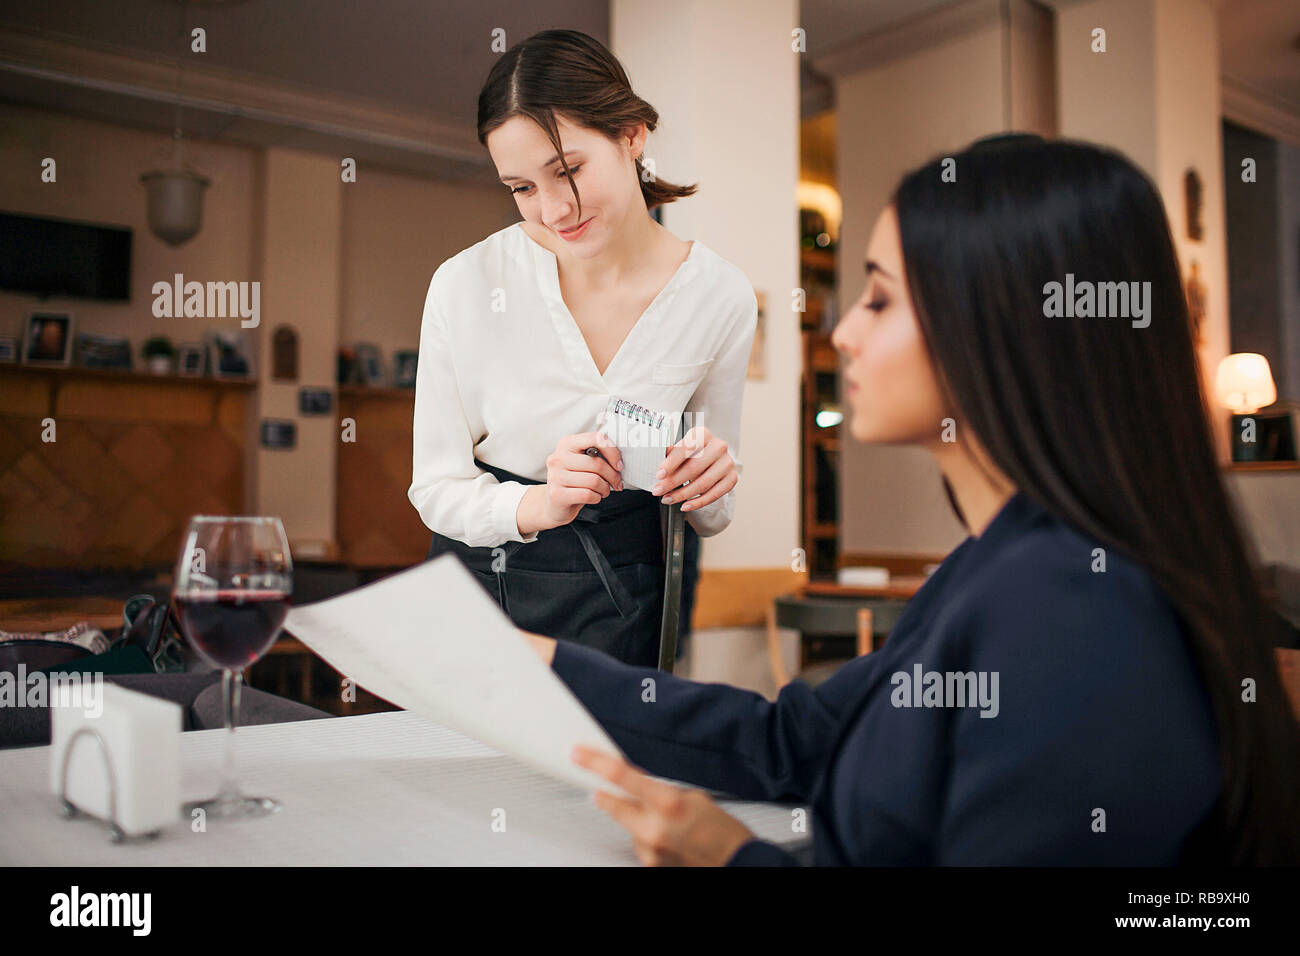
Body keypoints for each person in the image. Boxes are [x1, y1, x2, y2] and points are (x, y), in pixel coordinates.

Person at [521, 134, 1300, 865]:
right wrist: (545, 668)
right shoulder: (991, 567)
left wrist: (734, 857)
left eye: (882, 300)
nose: (846, 333)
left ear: (1001, 328)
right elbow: (788, 740)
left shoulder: (1075, 611)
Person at [409, 30, 757, 666]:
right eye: (521, 188)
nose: (553, 209)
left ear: (632, 136)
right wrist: (540, 502)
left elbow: (715, 512)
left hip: (627, 600)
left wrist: (713, 481)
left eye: (567, 170)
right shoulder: (465, 285)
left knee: (607, 765)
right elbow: (434, 489)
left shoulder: (720, 297)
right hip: (478, 597)